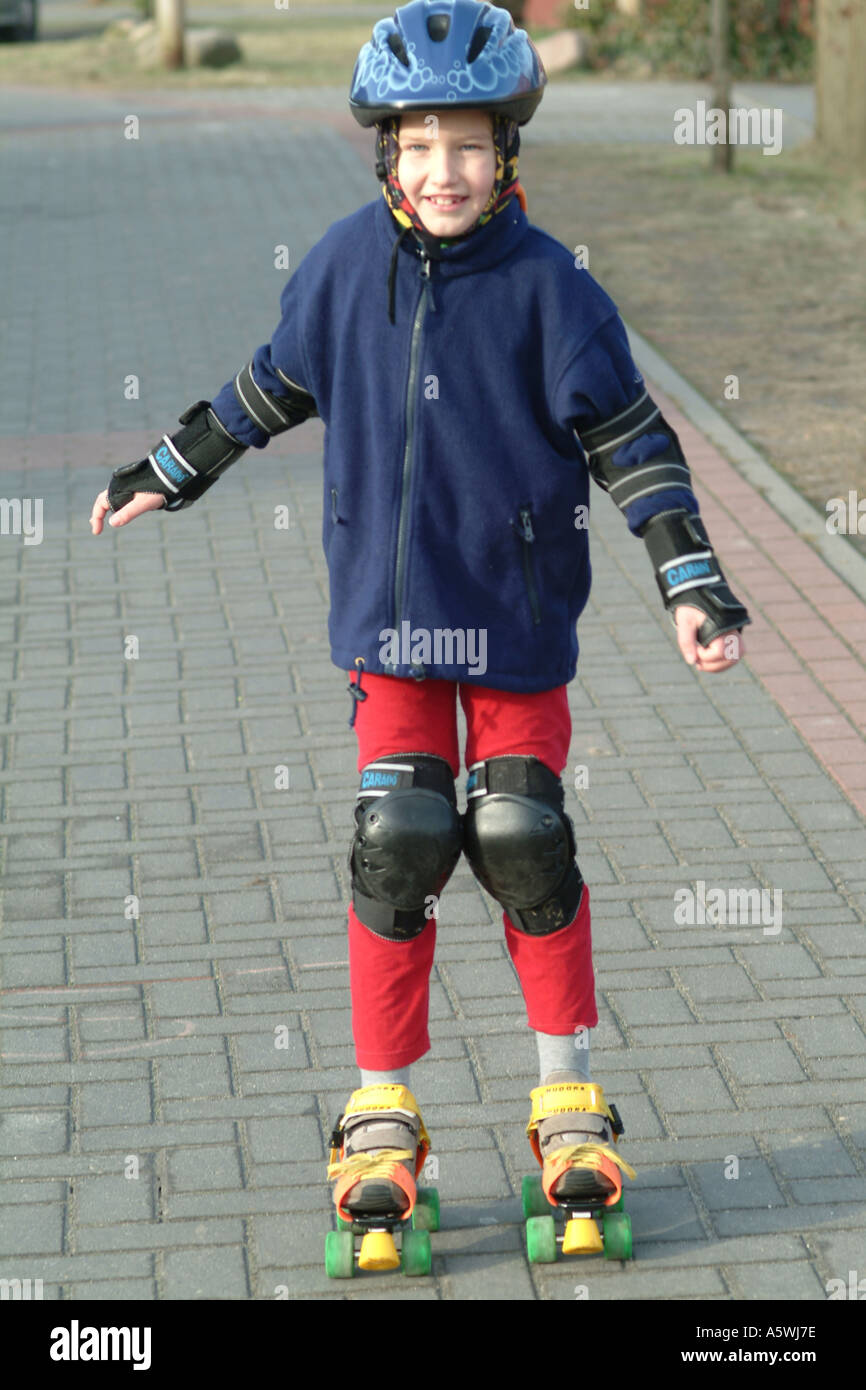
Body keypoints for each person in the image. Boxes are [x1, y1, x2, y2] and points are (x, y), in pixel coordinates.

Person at [90, 0, 749, 1253]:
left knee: (520, 836)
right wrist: (167, 467)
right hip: (388, 633)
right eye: (417, 144)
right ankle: (381, 1104)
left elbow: (631, 445)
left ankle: (567, 1100)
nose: (441, 170)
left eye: (467, 145)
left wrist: (689, 581)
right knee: (398, 844)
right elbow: (269, 384)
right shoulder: (343, 264)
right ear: (382, 154)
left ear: (509, 155)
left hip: (512, 620)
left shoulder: (554, 291)